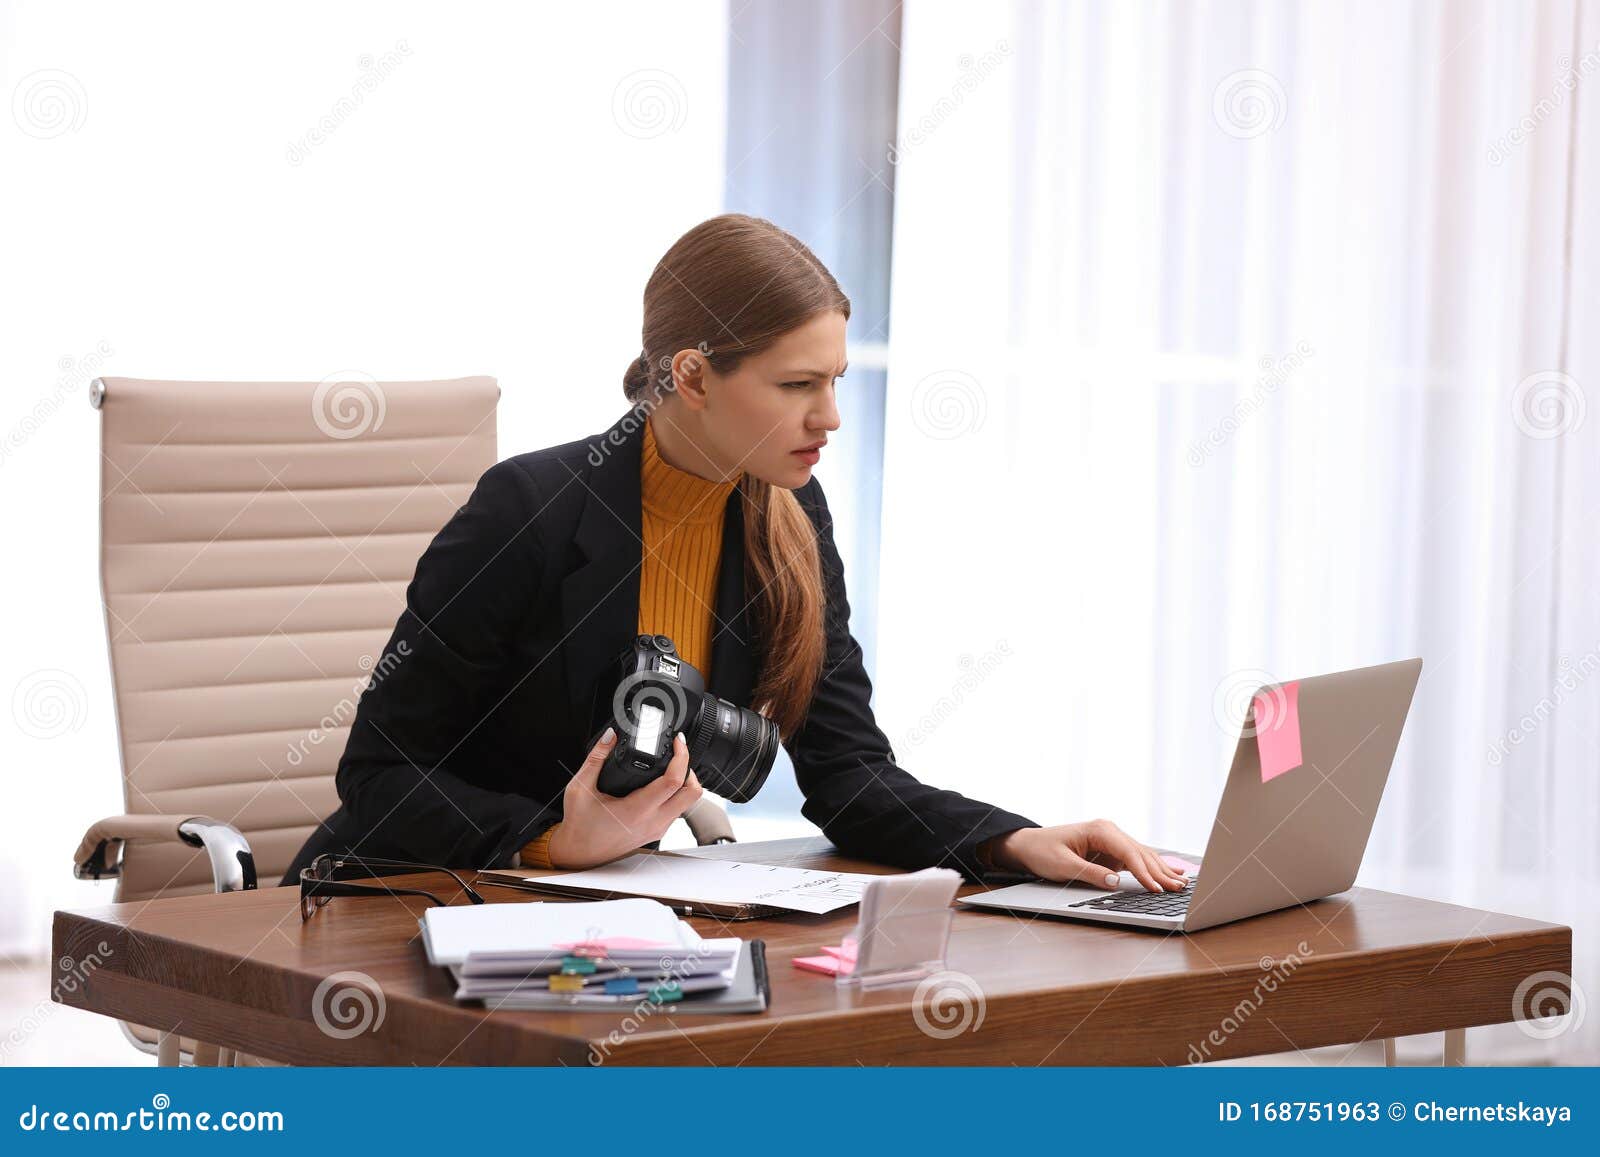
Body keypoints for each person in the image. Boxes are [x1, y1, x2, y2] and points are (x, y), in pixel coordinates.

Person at [283, 214, 1186, 895]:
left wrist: (1010, 843)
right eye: (797, 385)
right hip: (408, 906)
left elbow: (848, 775)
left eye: (834, 380)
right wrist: (553, 837)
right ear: (692, 374)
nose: (828, 416)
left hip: (600, 920)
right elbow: (379, 777)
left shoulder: (789, 516)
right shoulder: (531, 510)